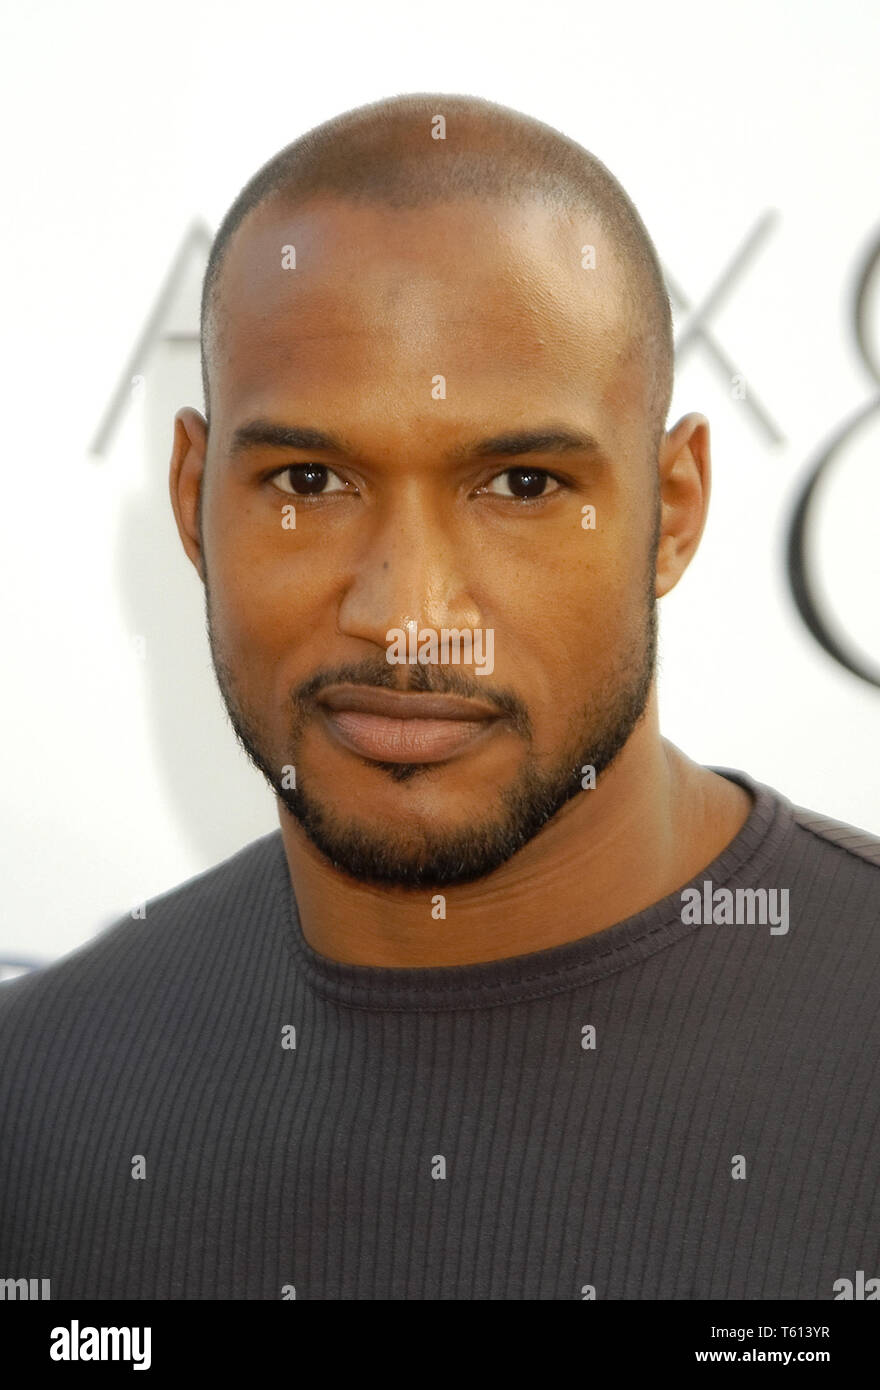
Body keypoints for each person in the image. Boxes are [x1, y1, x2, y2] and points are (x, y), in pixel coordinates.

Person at [1, 93, 878, 1301]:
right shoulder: (39, 1099)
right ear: (194, 495)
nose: (407, 611)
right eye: (310, 478)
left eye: (520, 482)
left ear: (671, 509)